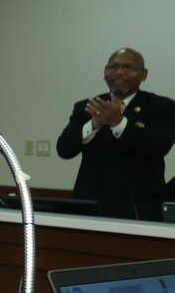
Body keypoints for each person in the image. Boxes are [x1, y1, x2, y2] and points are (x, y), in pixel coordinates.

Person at [57, 47, 175, 220]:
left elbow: (157, 148)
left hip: (138, 208)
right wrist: (94, 124)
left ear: (144, 74)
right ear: (105, 72)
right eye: (114, 67)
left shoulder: (162, 107)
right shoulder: (87, 106)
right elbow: (64, 150)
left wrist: (118, 122)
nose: (119, 72)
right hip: (90, 205)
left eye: (128, 67)